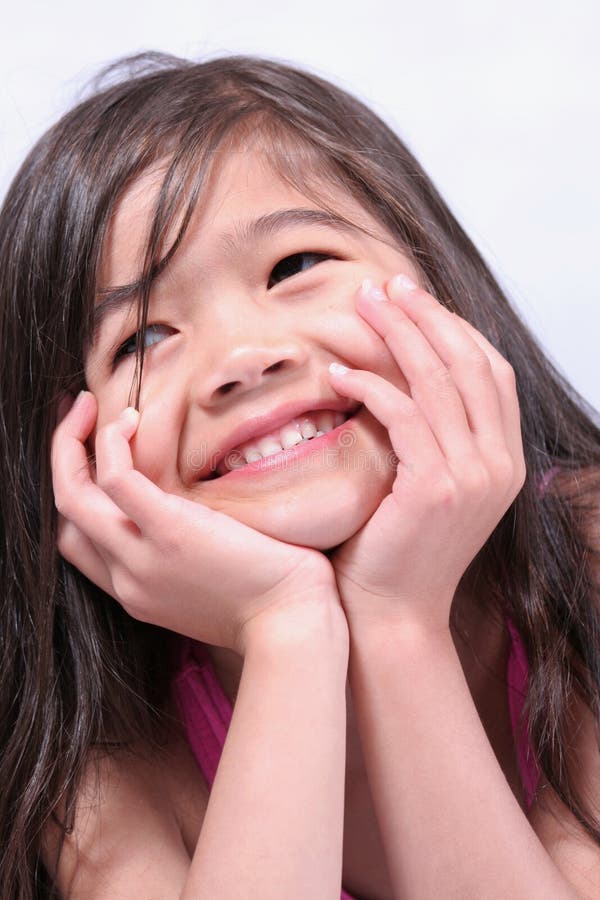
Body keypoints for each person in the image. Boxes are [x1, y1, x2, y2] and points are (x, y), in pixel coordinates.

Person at [0, 50, 599, 900]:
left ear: (438, 276)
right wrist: (285, 630)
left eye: (295, 267)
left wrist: (398, 624)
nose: (241, 360)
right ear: (74, 452)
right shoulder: (111, 759)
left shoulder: (589, 559)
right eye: (140, 341)